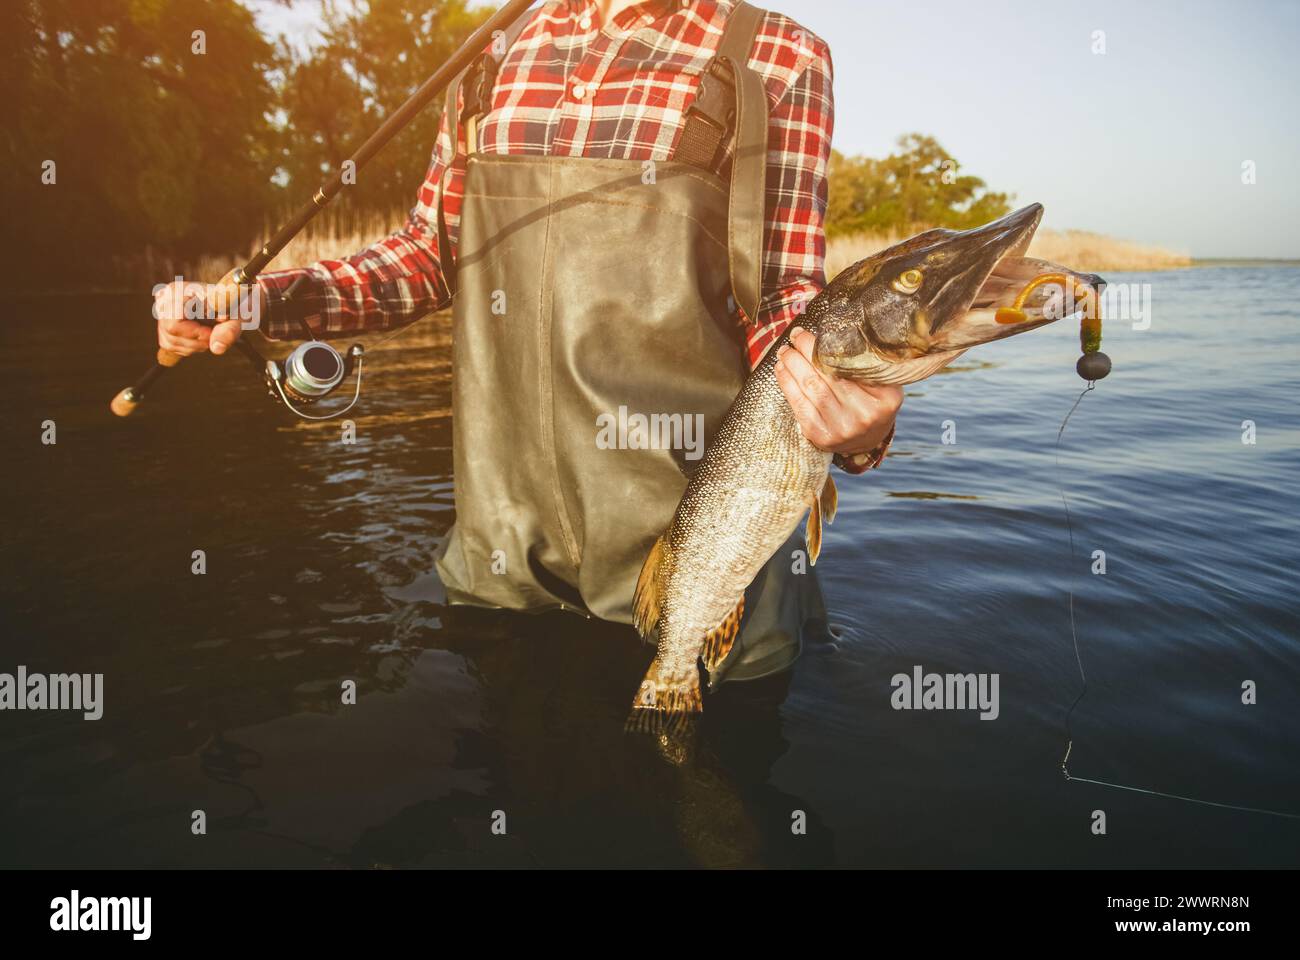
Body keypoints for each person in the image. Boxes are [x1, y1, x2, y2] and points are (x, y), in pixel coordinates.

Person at [154, 0, 902, 691]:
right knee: (513, 809)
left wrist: (857, 425)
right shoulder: (490, 54)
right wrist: (258, 302)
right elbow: (424, 258)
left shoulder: (780, 55)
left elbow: (782, 298)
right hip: (502, 567)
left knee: (715, 818)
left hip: (708, 568)